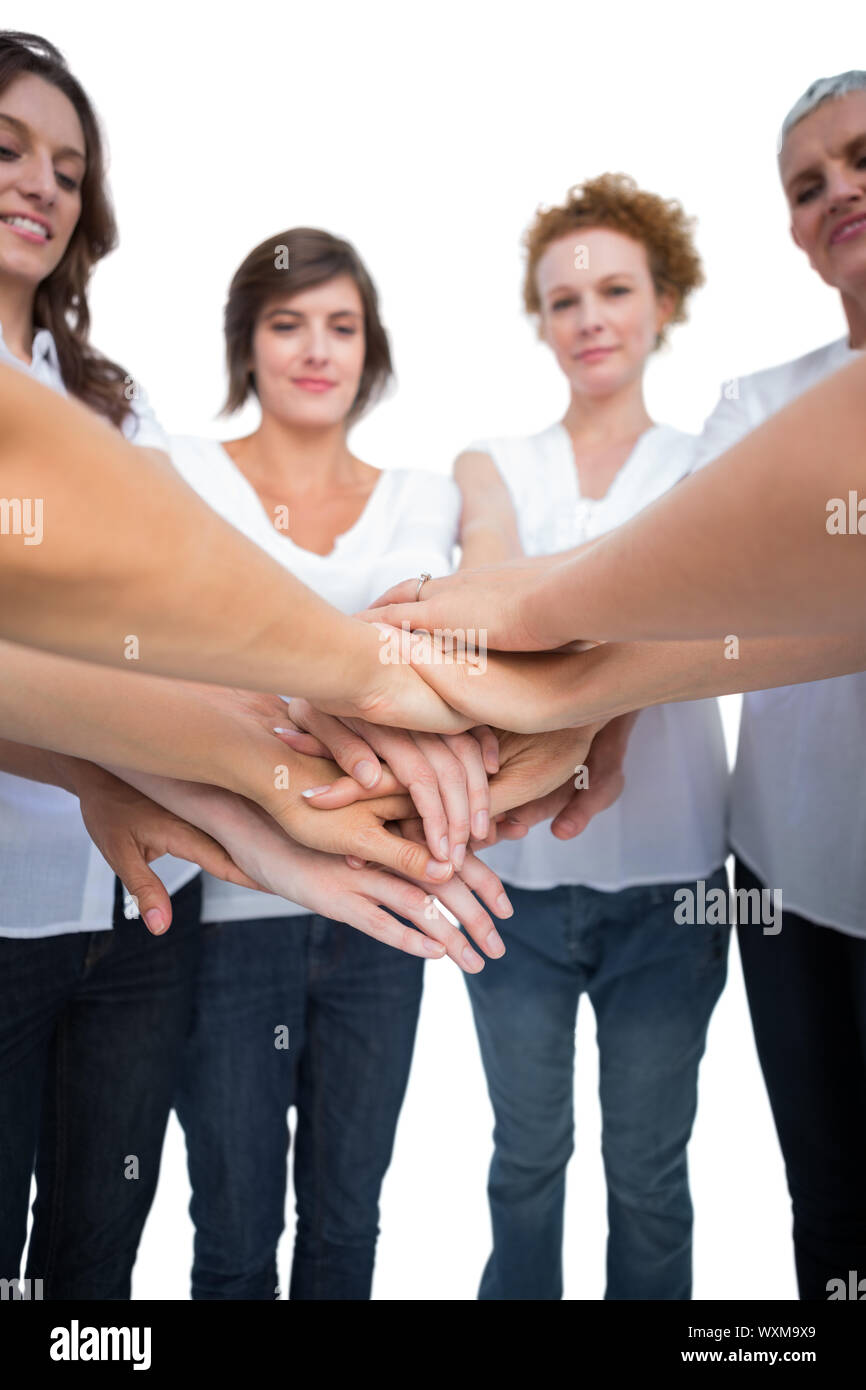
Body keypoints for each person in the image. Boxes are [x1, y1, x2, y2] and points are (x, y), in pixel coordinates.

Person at [453, 176, 729, 1299]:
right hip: (512, 884)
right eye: (562, 299)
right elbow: (486, 596)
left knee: (649, 1171)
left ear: (664, 303)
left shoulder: (712, 463)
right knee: (525, 1162)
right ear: (538, 320)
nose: (589, 318)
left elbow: (703, 619)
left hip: (671, 883)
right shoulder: (493, 467)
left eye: (615, 290)